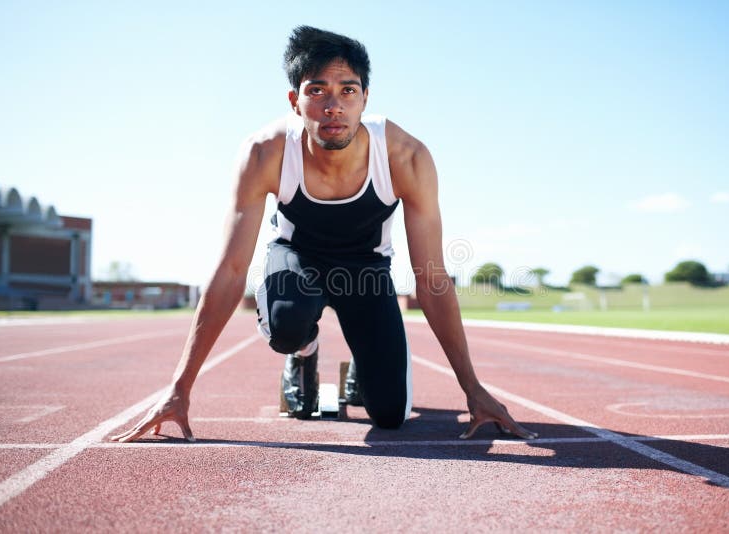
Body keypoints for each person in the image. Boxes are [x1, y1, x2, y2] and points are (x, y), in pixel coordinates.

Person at [111, 26, 535, 443]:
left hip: (366, 271)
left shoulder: (407, 157)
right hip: (297, 258)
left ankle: (363, 366)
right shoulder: (265, 152)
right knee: (285, 324)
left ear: (365, 98)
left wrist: (472, 388)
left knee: (389, 415)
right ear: (295, 101)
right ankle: (304, 353)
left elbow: (431, 276)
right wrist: (180, 387)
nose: (334, 106)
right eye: (317, 91)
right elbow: (232, 269)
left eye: (348, 91)